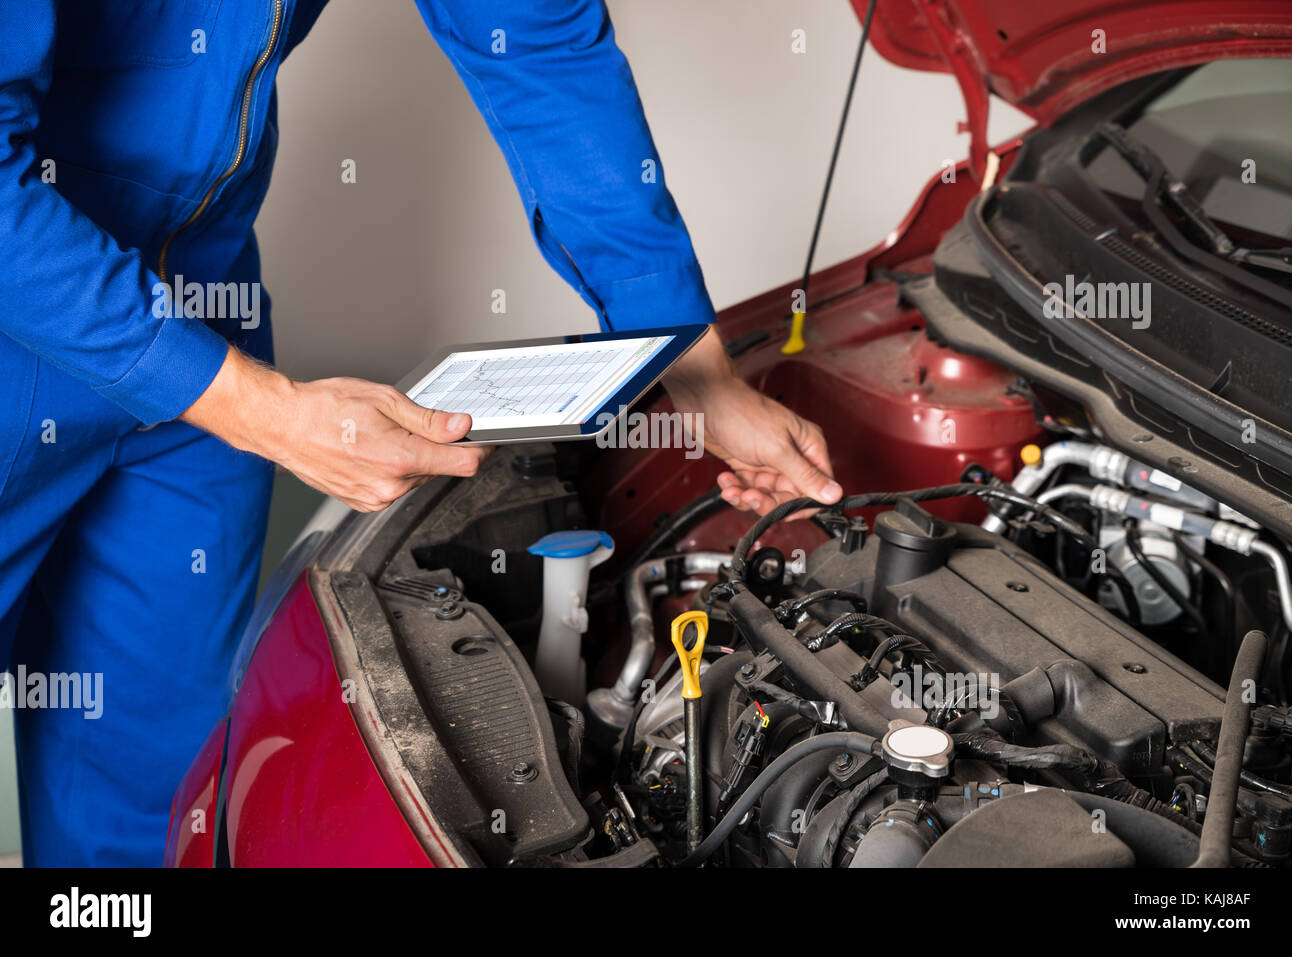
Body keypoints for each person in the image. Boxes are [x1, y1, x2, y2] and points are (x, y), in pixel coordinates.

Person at [0, 0, 840, 865]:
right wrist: (259, 409)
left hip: (203, 321)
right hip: (27, 327)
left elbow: (536, 41)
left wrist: (694, 368)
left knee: (150, 795)